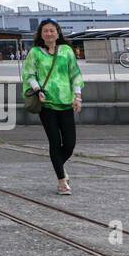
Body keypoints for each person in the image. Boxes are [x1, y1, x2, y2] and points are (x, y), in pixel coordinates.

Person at [22, 19, 84, 195]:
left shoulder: (66, 51)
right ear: (40, 34)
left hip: (66, 102)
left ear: (58, 33)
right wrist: (37, 89)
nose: (49, 34)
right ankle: (62, 181)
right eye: (45, 31)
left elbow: (75, 74)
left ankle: (60, 167)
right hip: (46, 103)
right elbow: (29, 74)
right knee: (55, 142)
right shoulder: (35, 52)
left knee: (70, 144)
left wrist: (78, 96)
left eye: (52, 30)